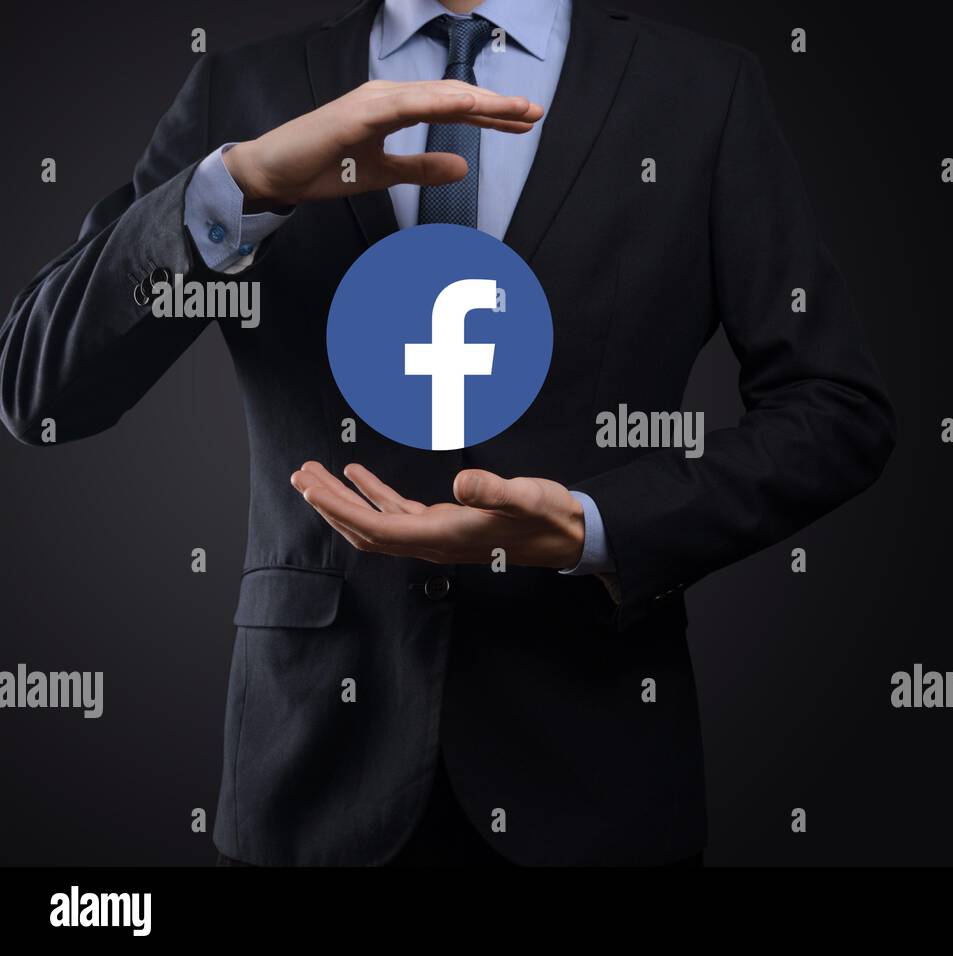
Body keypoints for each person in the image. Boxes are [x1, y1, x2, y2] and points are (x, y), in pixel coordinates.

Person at [0, 0, 896, 866]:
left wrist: (597, 527)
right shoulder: (242, 89)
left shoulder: (704, 90)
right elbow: (38, 387)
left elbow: (834, 410)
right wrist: (238, 186)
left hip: (598, 772)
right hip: (310, 780)